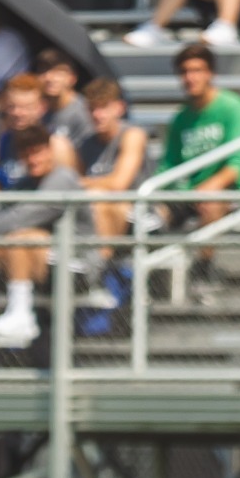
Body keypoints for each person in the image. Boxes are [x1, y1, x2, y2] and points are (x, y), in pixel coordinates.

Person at [0, 124, 82, 342]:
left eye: (37, 152)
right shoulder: (26, 183)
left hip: (78, 260)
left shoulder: (63, 178)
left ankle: (22, 314)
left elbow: (23, 217)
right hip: (45, 259)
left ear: (50, 150)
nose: (32, 159)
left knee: (20, 238)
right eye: (26, 154)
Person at [154, 44, 240, 295]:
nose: (190, 77)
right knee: (149, 213)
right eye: (185, 71)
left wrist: (209, 187)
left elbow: (237, 165)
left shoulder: (232, 107)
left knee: (210, 201)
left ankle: (204, 268)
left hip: (223, 192)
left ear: (211, 73)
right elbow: (169, 165)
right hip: (188, 192)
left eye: (197, 70)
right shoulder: (180, 118)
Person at [75, 78, 151, 336]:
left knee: (101, 199)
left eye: (104, 107)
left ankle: (97, 276)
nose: (98, 114)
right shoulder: (86, 144)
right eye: (92, 108)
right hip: (96, 214)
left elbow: (120, 183)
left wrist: (87, 183)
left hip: (139, 214)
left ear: (119, 108)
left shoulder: (132, 135)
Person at [0, 74, 79, 189]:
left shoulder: (57, 146)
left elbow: (69, 189)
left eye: (26, 107)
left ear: (42, 108)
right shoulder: (0, 144)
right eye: (12, 107)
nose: (18, 113)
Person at [36, 50, 93, 151]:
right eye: (43, 71)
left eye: (58, 72)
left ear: (72, 78)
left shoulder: (84, 111)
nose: (49, 78)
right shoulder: (39, 112)